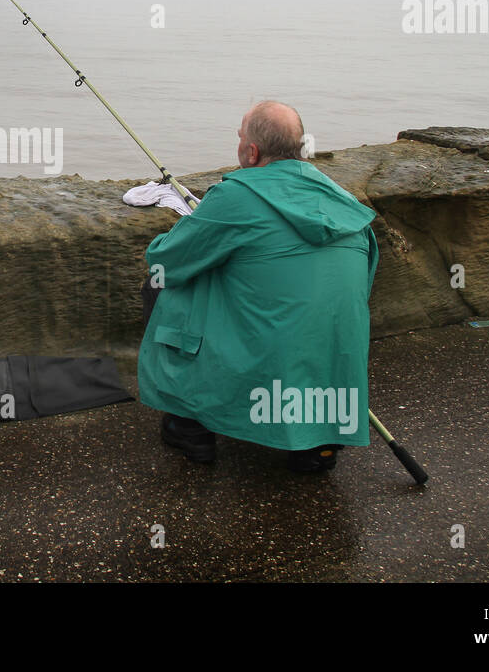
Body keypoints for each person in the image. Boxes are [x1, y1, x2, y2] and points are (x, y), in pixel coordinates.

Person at [137, 101, 378, 471]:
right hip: (338, 350)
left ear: (251, 152)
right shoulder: (340, 197)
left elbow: (167, 262)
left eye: (239, 135)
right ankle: (317, 445)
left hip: (268, 350)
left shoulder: (236, 196)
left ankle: (190, 425)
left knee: (162, 287)